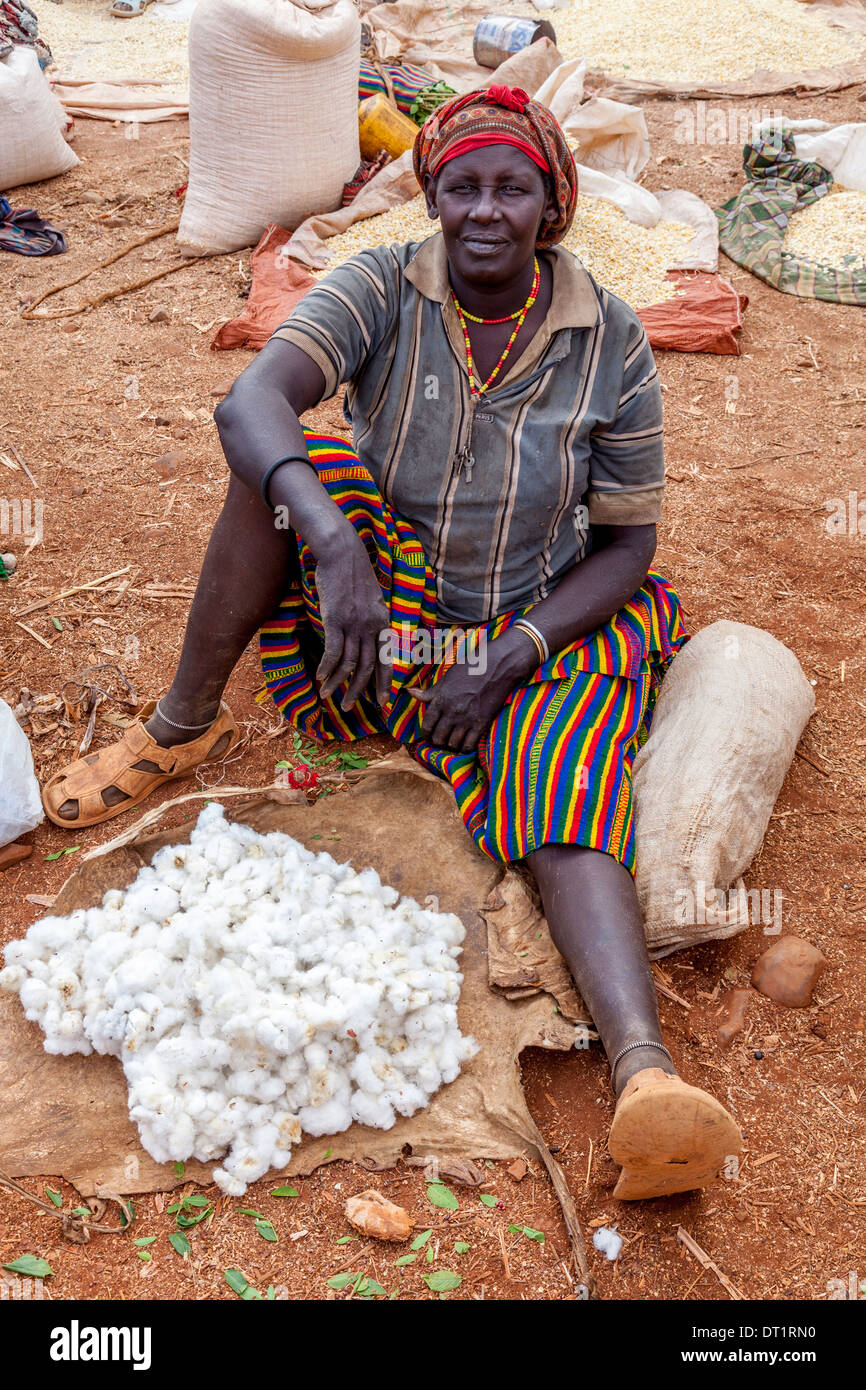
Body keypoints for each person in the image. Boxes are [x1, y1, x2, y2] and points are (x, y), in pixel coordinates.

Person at [43, 85, 741, 1200]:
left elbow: (626, 545)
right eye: (460, 185)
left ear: (550, 207)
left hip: (533, 632)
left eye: (510, 188)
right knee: (285, 475)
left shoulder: (607, 335)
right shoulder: (380, 284)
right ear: (430, 194)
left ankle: (641, 1076)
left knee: (565, 797)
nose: (481, 211)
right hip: (379, 629)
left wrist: (509, 651)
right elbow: (252, 400)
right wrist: (333, 545)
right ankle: (177, 727)